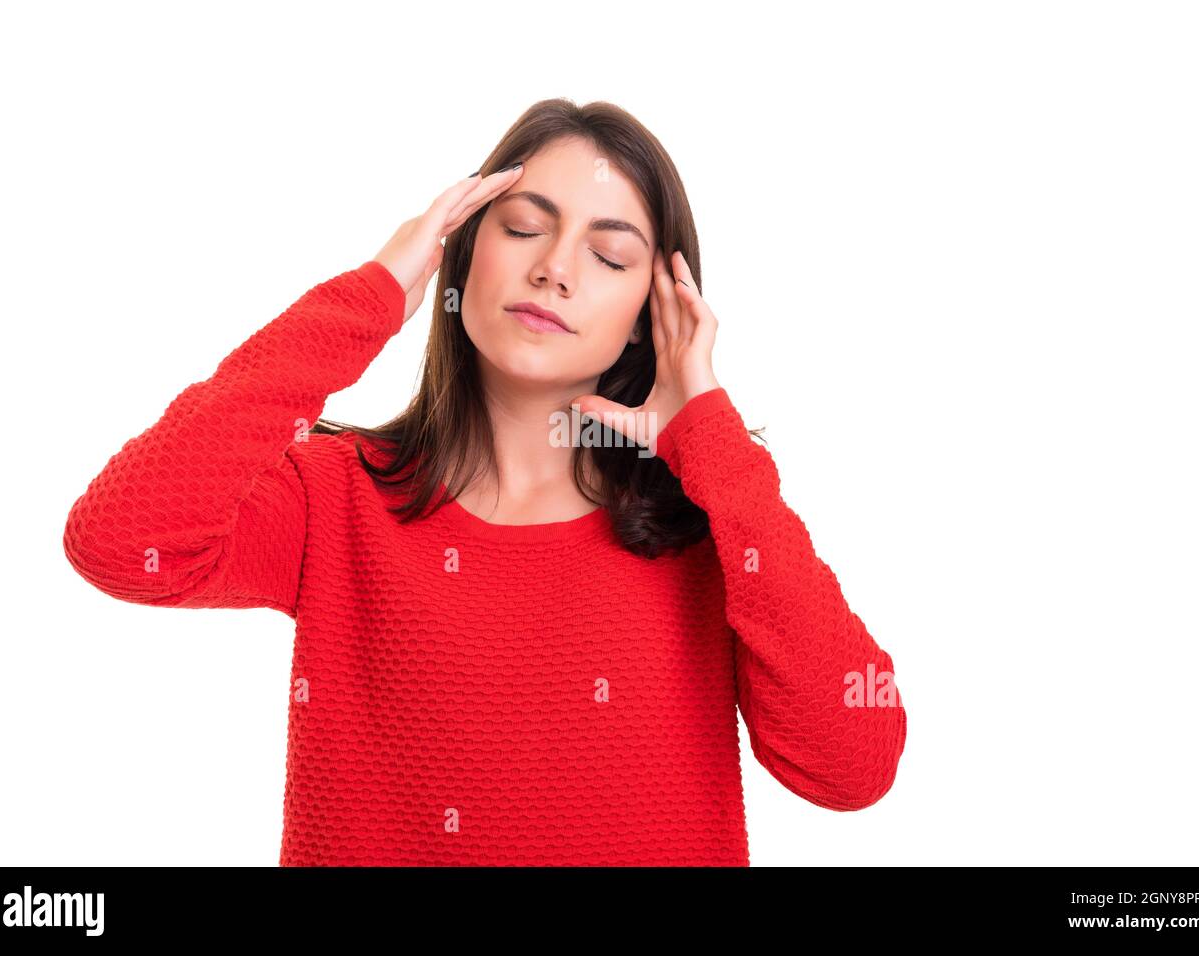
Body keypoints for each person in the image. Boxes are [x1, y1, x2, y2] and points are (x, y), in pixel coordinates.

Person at [62, 98, 907, 866]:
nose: (556, 269)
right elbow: (116, 545)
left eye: (610, 256)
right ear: (460, 257)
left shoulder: (715, 520)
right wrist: (373, 296)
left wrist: (715, 447)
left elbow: (852, 765)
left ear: (653, 320)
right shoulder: (337, 495)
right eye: (524, 227)